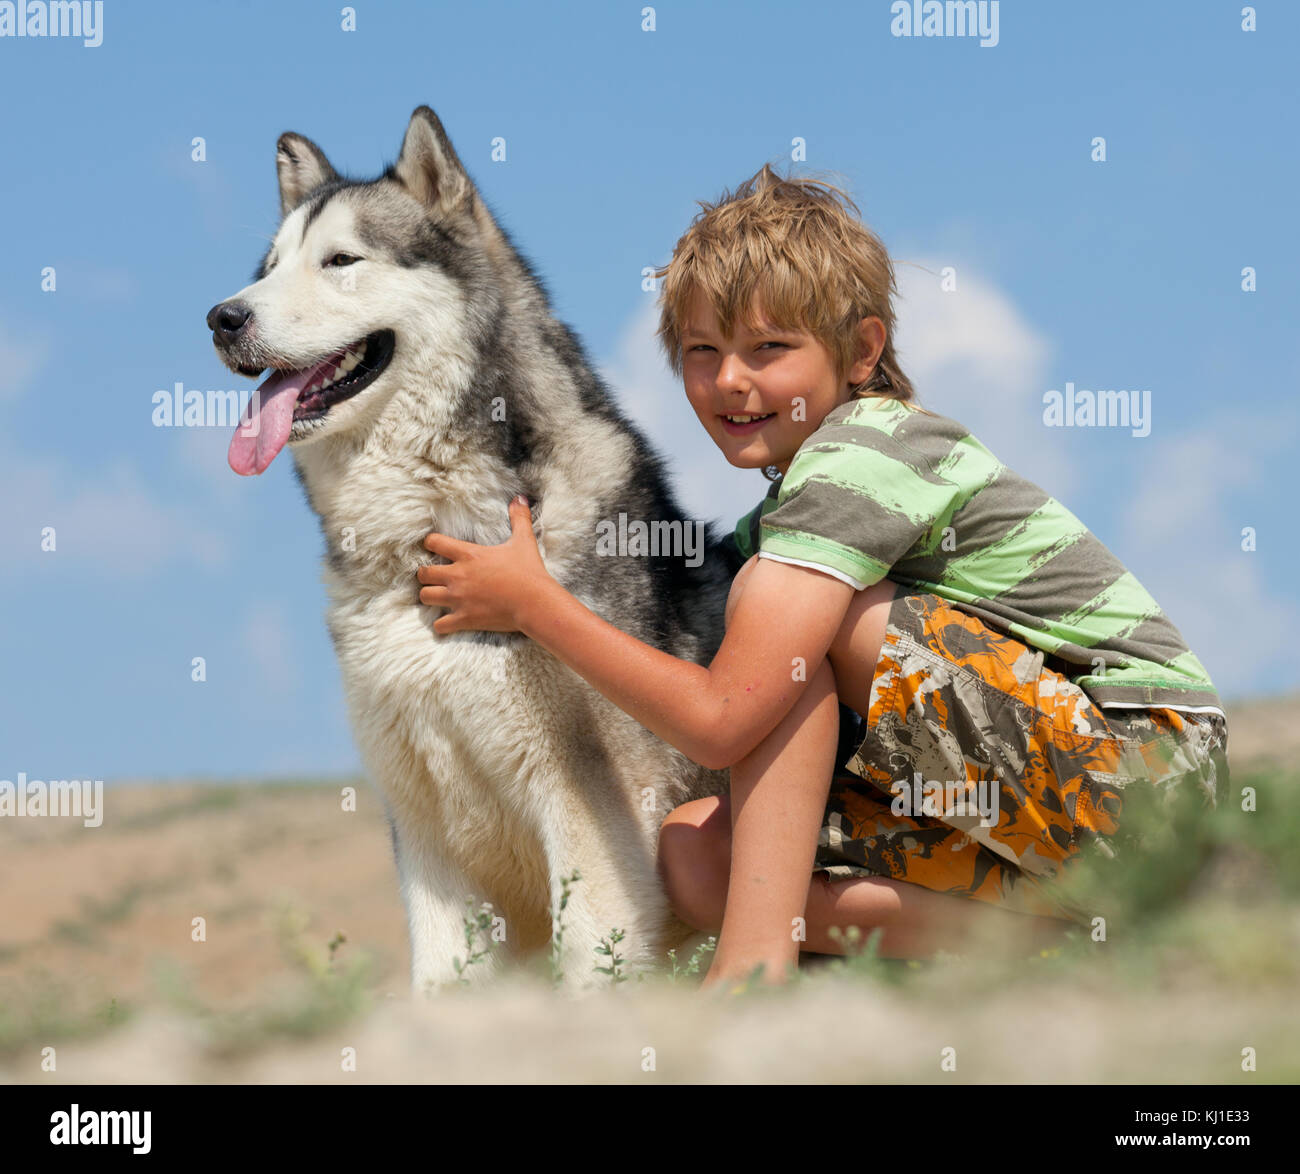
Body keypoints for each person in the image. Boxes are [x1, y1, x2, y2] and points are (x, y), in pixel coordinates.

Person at [414, 164, 1230, 993]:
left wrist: (536, 605)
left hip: (1145, 776)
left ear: (863, 350)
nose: (730, 380)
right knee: (701, 855)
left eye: (768, 348)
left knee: (788, 617)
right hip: (1048, 816)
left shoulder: (867, 456)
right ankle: (1076, 942)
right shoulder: (793, 510)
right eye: (703, 352)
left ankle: (750, 975)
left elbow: (721, 721)